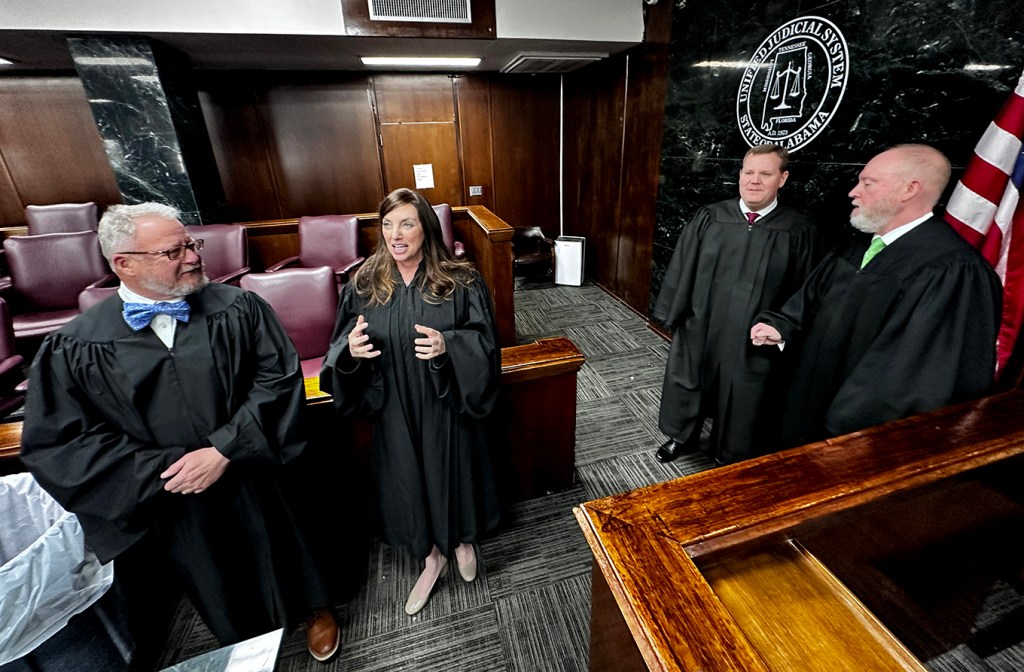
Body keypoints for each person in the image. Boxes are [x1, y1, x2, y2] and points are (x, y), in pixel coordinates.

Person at [19, 203, 341, 664]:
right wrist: (166, 470)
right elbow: (62, 440)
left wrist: (224, 448)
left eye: (192, 244)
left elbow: (278, 379)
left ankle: (315, 608)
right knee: (213, 573)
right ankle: (244, 643)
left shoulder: (239, 307)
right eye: (174, 251)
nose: (192, 256)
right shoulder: (75, 346)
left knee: (288, 540)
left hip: (253, 464)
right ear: (123, 263)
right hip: (173, 489)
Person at [320, 188, 501, 616]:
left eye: (406, 223)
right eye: (386, 224)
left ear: (426, 228)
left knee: (451, 469)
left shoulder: (460, 279)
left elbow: (485, 344)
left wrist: (448, 345)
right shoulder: (363, 283)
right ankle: (429, 556)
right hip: (393, 404)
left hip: (445, 400)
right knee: (408, 477)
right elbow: (339, 347)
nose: (395, 235)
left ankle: (460, 540)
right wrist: (352, 353)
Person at [750, 144, 1002, 447]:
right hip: (805, 410)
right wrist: (782, 328)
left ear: (909, 189)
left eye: (867, 183)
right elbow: (811, 302)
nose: (853, 192)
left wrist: (849, 434)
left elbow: (916, 378)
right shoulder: (856, 246)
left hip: (857, 439)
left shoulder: (953, 272)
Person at [652, 144, 818, 465]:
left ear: (782, 179)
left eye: (765, 173)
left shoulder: (799, 230)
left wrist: (782, 326)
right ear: (740, 175)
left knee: (745, 392)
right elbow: (682, 265)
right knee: (689, 379)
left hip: (753, 331)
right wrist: (675, 313)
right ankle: (681, 436)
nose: (754, 180)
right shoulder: (711, 217)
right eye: (749, 172)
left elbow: (805, 289)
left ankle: (728, 451)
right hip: (702, 321)